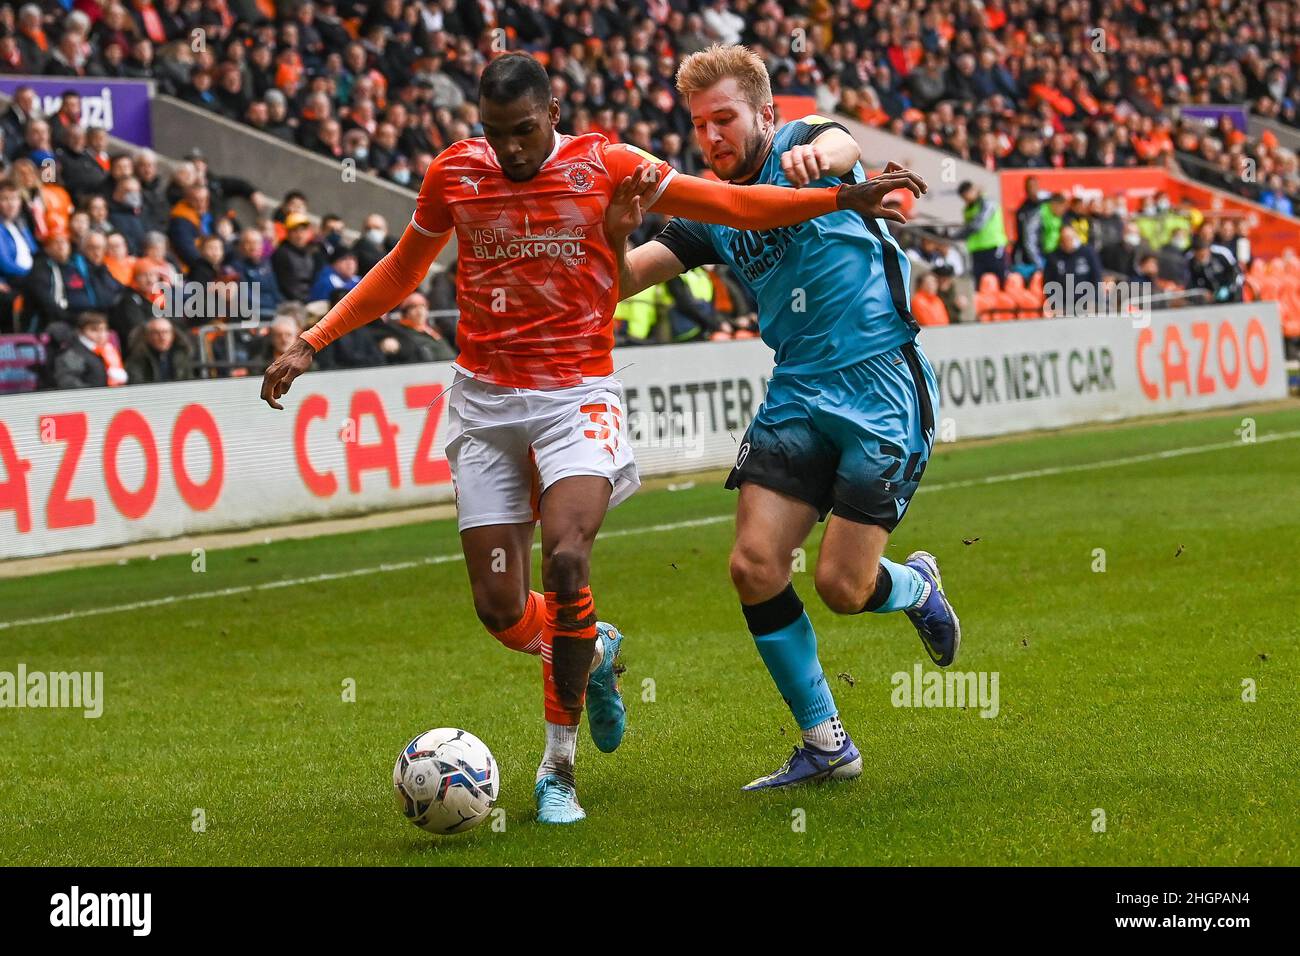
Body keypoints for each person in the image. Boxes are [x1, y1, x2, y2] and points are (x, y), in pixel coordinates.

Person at [259, 51, 920, 824]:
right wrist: (316, 337)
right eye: (495, 133)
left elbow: (747, 199)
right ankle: (590, 649)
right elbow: (406, 270)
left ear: (555, 115)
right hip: (485, 400)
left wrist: (843, 190)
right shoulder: (452, 175)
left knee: (571, 559)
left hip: (579, 397)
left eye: (525, 131)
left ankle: (557, 773)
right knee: (501, 607)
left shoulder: (612, 161)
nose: (510, 149)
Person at [605, 44, 953, 791]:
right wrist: (612, 228)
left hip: (880, 384)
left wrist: (820, 161)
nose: (711, 139)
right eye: (699, 126)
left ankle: (917, 588)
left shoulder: (803, 145)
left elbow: (842, 142)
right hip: (796, 391)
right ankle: (826, 741)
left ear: (766, 113)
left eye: (724, 119)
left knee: (841, 587)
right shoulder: (712, 209)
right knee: (754, 566)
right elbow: (625, 280)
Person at [957, 180, 1007, 282]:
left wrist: (956, 236)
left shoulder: (987, 203)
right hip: (977, 249)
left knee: (999, 281)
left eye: (967, 195)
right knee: (979, 283)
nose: (966, 199)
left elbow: (977, 225)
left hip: (993, 246)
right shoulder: (968, 209)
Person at [125, 316, 195, 383]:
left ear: (173, 335)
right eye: (156, 333)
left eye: (166, 332)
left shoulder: (182, 356)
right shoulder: (137, 359)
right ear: (147, 336)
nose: (162, 337)